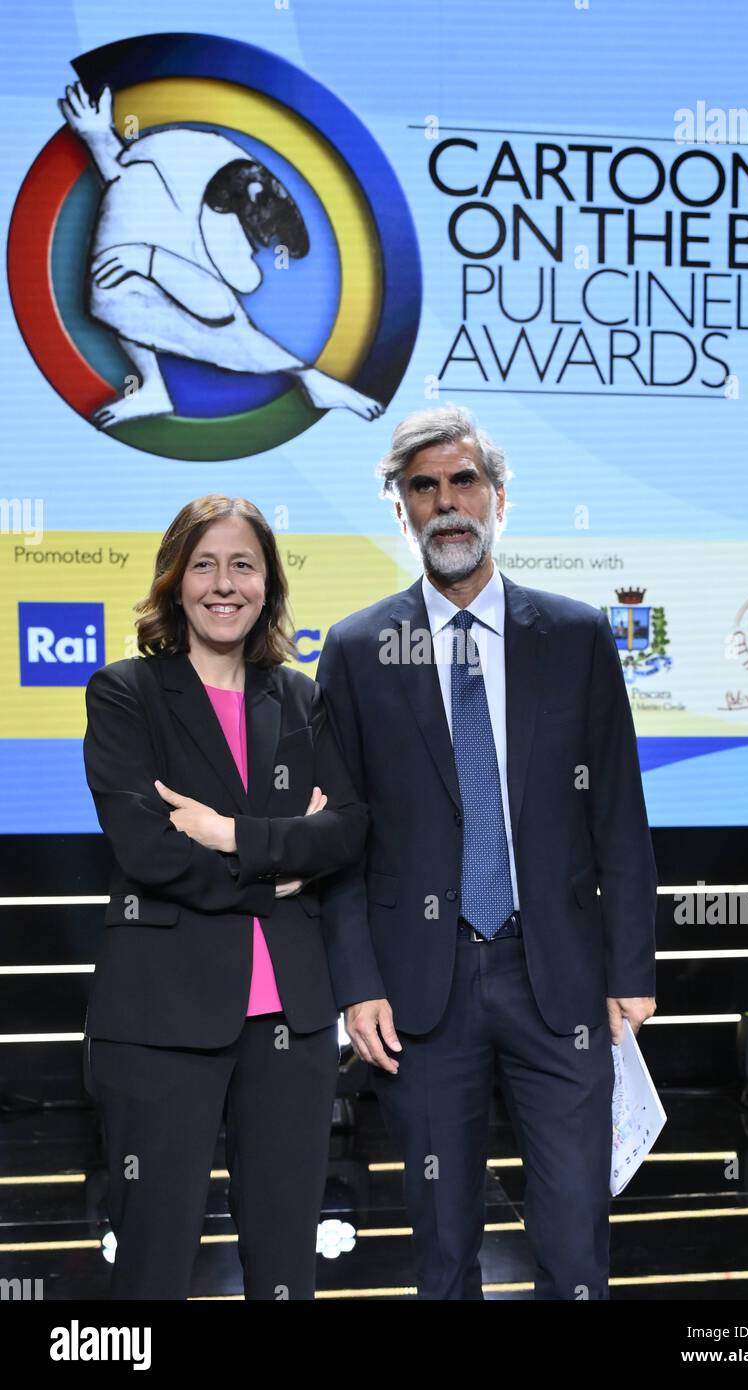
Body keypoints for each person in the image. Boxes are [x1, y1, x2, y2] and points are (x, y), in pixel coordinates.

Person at [317, 406, 658, 1300]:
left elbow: (618, 814)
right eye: (422, 488)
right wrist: (356, 984)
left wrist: (630, 967)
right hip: (420, 993)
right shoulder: (355, 650)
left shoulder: (577, 636)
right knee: (440, 1247)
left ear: (499, 499)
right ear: (401, 513)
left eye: (463, 481)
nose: (446, 503)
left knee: (577, 1235)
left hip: (562, 980)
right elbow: (340, 846)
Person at [82, 494, 369, 1300]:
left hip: (293, 1019)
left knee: (286, 1265)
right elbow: (146, 849)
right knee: (154, 1263)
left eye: (243, 564)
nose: (223, 583)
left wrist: (229, 835)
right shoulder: (125, 693)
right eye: (204, 564)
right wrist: (282, 866)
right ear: (175, 581)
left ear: (268, 583)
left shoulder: (303, 699)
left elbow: (347, 829)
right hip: (161, 1020)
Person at [58, 80, 383, 429]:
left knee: (222, 323)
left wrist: (149, 259)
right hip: (178, 233)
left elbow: (217, 309)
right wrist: (97, 135)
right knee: (117, 286)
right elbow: (127, 181)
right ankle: (154, 387)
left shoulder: (234, 202)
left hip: (191, 253)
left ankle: (314, 381)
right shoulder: (175, 169)